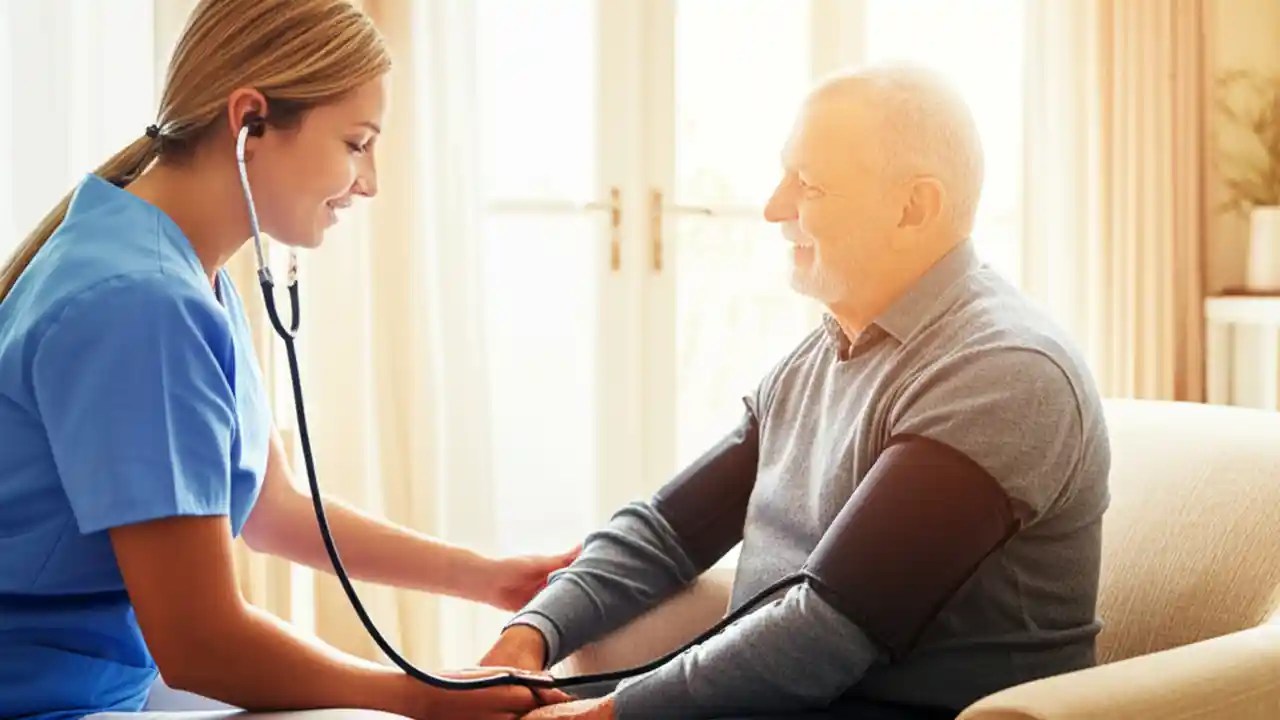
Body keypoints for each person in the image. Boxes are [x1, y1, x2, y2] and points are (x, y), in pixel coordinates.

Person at [481, 64, 1112, 720]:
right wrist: (526, 637)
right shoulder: (824, 354)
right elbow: (666, 532)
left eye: (807, 185)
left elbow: (830, 631)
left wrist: (605, 715)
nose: (774, 209)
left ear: (914, 208)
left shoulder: (1002, 371)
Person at [0, 1, 575, 718]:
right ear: (251, 121)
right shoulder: (142, 302)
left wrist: (489, 577)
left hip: (98, 684)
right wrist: (425, 696)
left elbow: (275, 512)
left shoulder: (177, 269)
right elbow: (201, 644)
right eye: (357, 144)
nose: (369, 182)